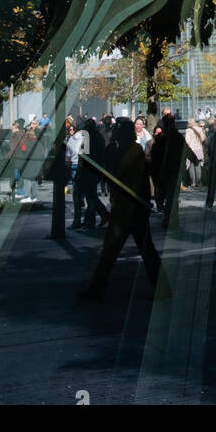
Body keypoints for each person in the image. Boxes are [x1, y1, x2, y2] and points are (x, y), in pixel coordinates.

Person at [77, 118, 168, 302]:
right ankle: (97, 288)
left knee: (137, 250)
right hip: (125, 208)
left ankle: (163, 288)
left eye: (119, 130)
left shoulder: (135, 153)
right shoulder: (118, 150)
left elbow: (133, 182)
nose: (115, 133)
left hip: (132, 209)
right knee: (113, 251)